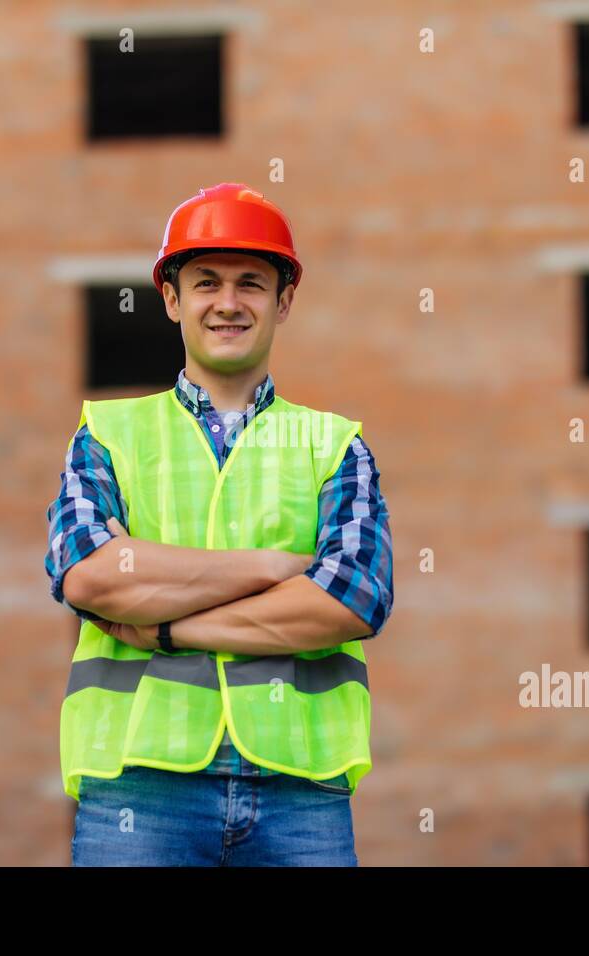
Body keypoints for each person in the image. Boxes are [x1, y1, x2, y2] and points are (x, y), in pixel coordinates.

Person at [45, 182, 393, 866]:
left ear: (283, 301)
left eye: (251, 284)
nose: (228, 302)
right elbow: (91, 577)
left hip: (301, 790)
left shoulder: (334, 443)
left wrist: (167, 627)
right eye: (206, 282)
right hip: (140, 788)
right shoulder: (109, 433)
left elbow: (352, 597)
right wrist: (269, 569)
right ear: (173, 298)